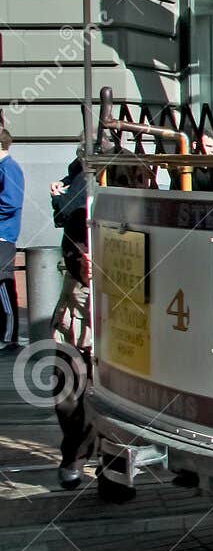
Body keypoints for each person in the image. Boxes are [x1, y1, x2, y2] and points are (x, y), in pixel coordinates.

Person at [49, 157, 94, 489]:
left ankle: (113, 466)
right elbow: (66, 216)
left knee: (116, 391)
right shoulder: (81, 176)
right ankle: (74, 455)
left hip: (122, 304)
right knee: (69, 389)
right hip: (79, 305)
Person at [0, 131, 23, 348]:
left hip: (3, 236)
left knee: (3, 284)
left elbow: (12, 202)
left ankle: (9, 336)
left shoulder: (9, 167)